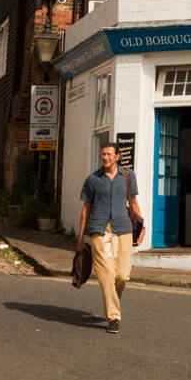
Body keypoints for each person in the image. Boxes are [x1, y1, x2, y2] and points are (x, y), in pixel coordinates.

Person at [78, 141, 138, 333]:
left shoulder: (128, 176)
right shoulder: (92, 179)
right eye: (103, 154)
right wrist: (80, 238)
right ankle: (113, 317)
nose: (105, 157)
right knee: (106, 275)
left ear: (117, 157)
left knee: (122, 274)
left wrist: (141, 228)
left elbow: (133, 202)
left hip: (123, 228)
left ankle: (112, 300)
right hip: (99, 229)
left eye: (109, 154)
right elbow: (85, 209)